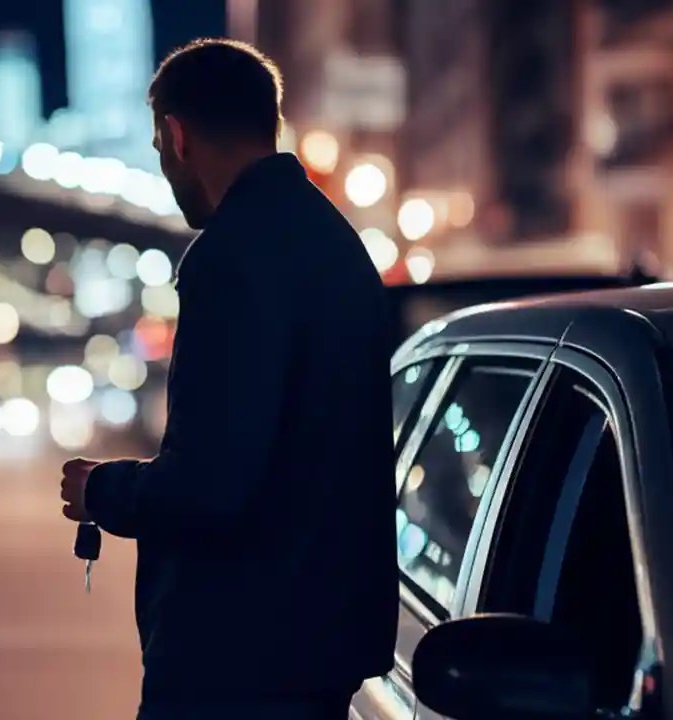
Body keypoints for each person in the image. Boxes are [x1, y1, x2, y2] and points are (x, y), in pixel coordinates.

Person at [60, 38, 396, 720]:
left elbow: (212, 483)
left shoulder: (232, 257)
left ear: (176, 136)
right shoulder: (335, 243)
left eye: (157, 148)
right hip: (314, 656)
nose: (163, 166)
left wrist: (103, 489)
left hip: (235, 662)